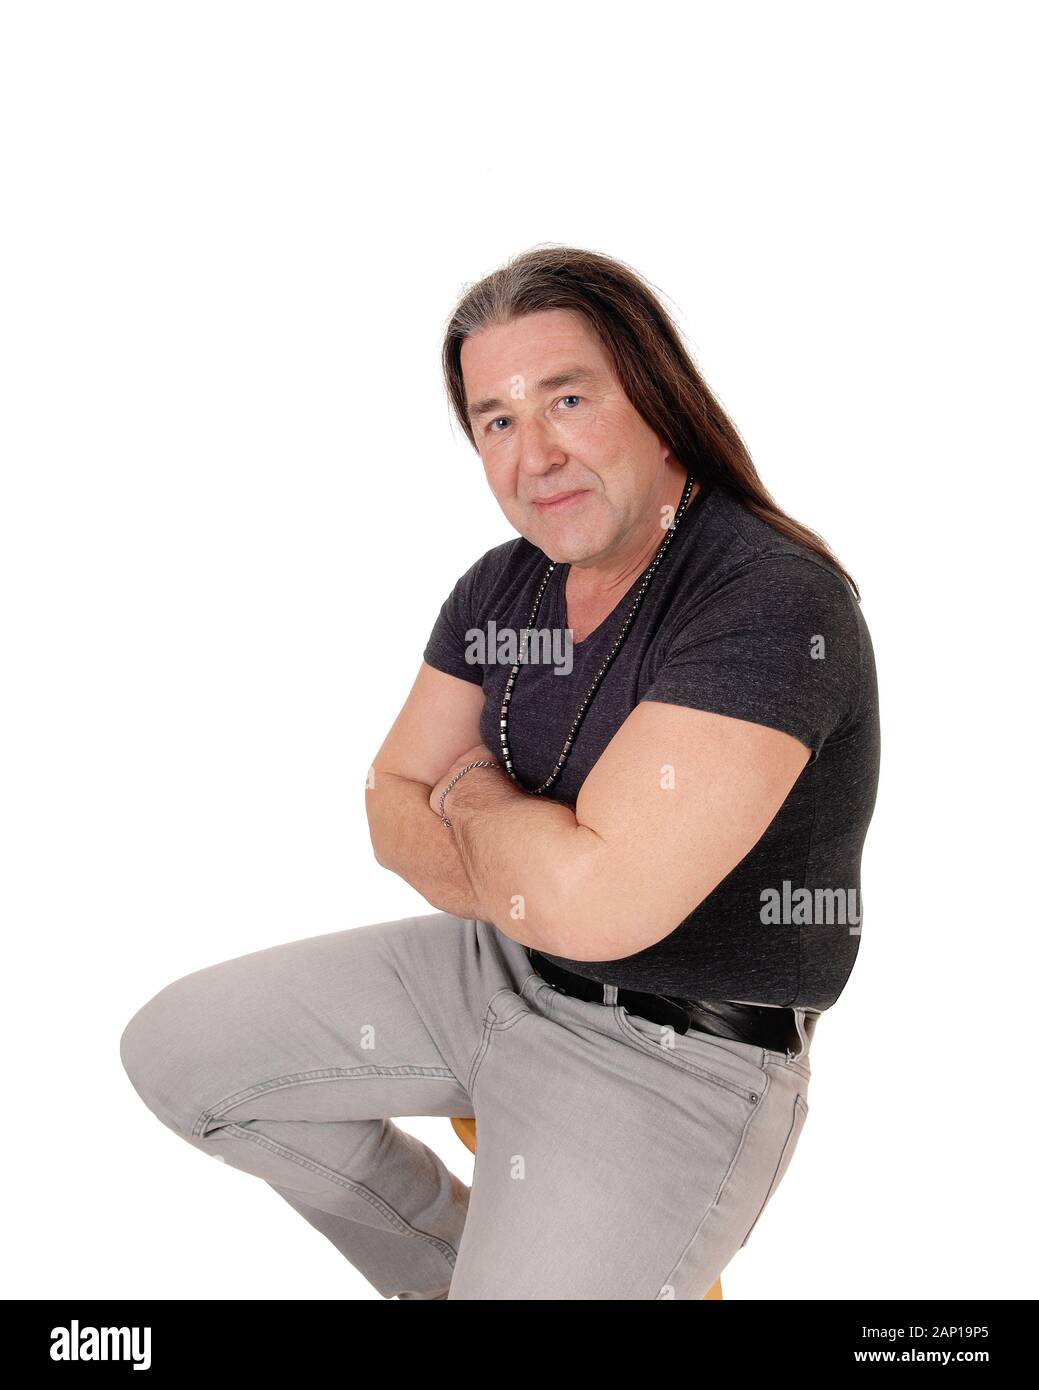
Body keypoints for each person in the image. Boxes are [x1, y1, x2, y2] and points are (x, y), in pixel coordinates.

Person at [120, 246, 880, 1300]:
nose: (537, 453)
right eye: (498, 420)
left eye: (567, 398)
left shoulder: (766, 601)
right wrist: (545, 869)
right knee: (182, 1053)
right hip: (496, 967)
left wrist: (473, 795)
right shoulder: (501, 587)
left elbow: (601, 906)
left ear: (657, 398)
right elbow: (388, 803)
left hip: (675, 1057)